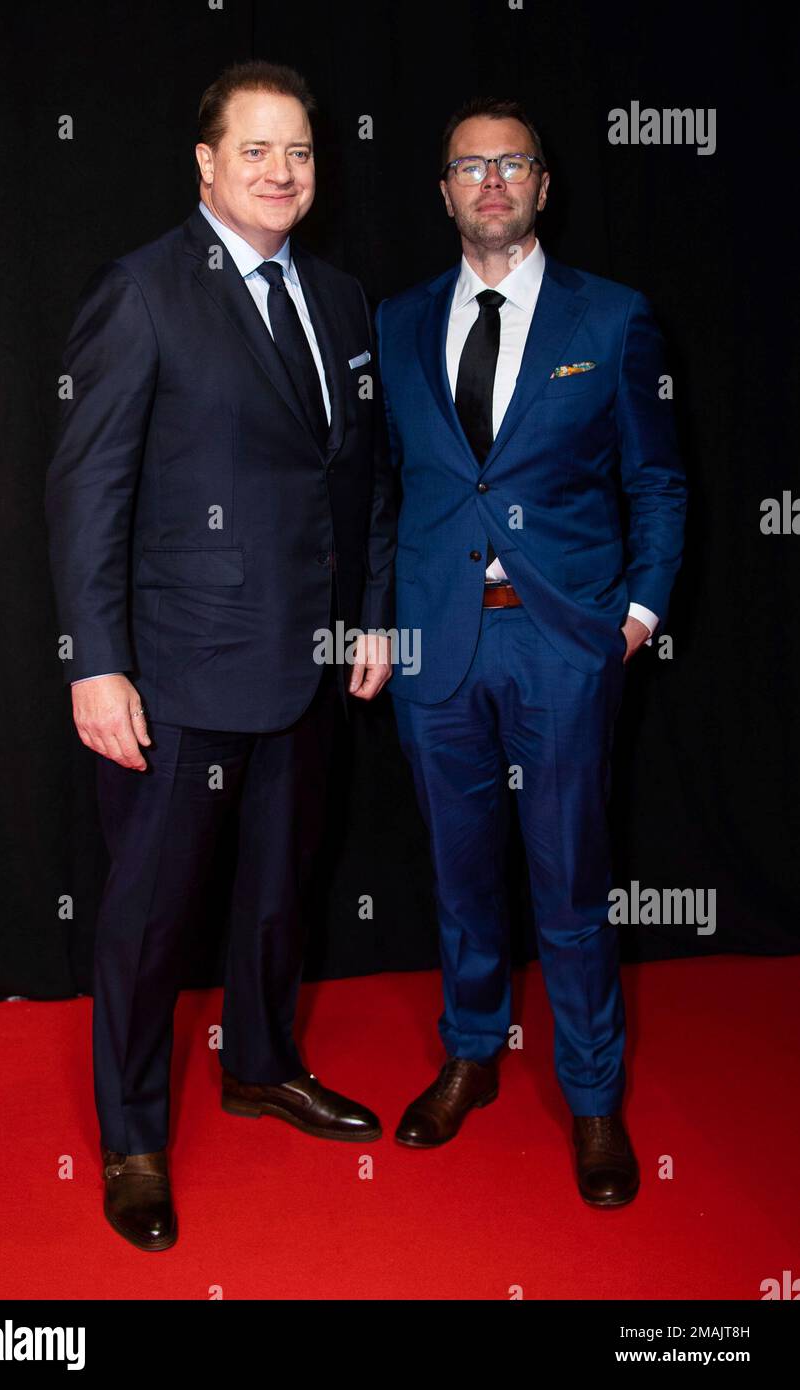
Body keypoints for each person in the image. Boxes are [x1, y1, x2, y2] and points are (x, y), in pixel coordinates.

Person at [45, 61, 394, 1251]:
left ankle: (259, 1067)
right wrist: (97, 662)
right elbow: (86, 490)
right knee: (147, 920)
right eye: (254, 151)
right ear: (204, 163)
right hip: (178, 670)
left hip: (306, 661)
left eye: (297, 152)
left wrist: (370, 616)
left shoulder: (342, 301)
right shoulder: (143, 292)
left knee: (278, 892)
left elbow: (359, 481)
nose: (279, 173)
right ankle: (134, 1135)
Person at [376, 97, 686, 1206]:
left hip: (562, 647)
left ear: (542, 186)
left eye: (512, 164)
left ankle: (593, 1098)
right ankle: (469, 1056)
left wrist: (636, 615)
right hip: (438, 651)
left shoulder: (611, 319)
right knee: (460, 879)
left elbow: (655, 478)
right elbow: (386, 489)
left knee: (568, 883)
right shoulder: (398, 323)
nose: (491, 181)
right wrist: (380, 618)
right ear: (445, 192)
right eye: (469, 165)